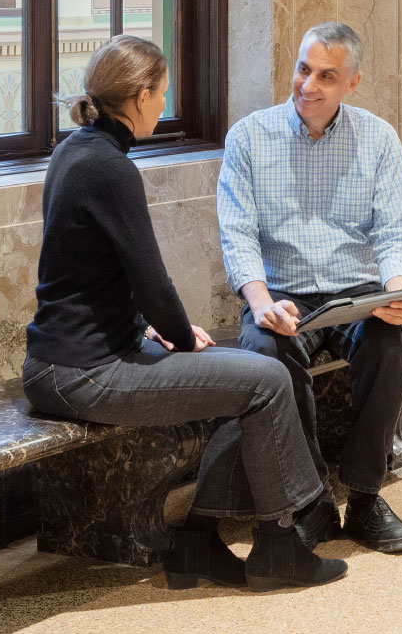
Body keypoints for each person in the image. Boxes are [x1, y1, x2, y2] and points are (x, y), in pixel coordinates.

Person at [21, 36, 347, 590]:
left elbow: (92, 278)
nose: (165, 105)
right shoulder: (111, 169)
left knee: (240, 373)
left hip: (60, 361)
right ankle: (281, 542)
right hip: (85, 374)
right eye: (163, 93)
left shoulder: (76, 149)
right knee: (265, 377)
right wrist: (179, 335)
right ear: (141, 95)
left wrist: (154, 331)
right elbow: (151, 281)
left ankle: (202, 541)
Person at [211, 21, 402, 555]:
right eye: (304, 69)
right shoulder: (249, 137)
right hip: (281, 295)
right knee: (266, 353)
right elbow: (236, 234)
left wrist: (395, 292)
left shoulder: (377, 138)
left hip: (354, 292)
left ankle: (367, 496)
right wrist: (259, 304)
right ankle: (310, 501)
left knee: (391, 345)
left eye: (326, 76)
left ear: (351, 84)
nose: (309, 84)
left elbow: (396, 228)